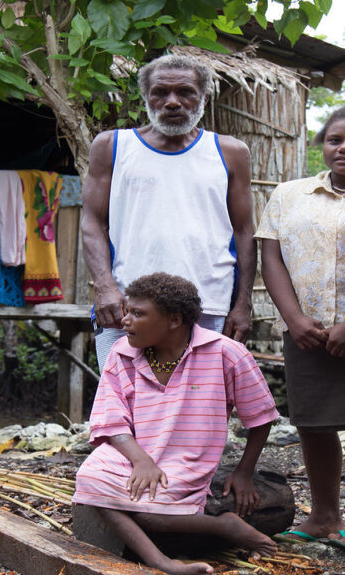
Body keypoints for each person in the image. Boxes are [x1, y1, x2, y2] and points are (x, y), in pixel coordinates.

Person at [256, 86, 345, 553]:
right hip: (308, 331)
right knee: (313, 422)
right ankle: (323, 516)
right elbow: (271, 257)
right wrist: (293, 318)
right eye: (335, 138)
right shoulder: (289, 194)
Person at [71, 272, 280, 575]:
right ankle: (163, 563)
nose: (125, 320)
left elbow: (260, 417)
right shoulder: (121, 354)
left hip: (186, 458)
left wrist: (244, 472)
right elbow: (111, 420)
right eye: (127, 310)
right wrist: (141, 461)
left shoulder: (226, 353)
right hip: (133, 452)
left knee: (149, 515)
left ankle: (225, 525)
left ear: (173, 320)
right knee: (88, 479)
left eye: (138, 314)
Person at [80, 53, 256, 369]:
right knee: (123, 407)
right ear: (146, 96)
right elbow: (93, 221)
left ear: (203, 96)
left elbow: (244, 232)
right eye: (160, 92)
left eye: (185, 92)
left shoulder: (230, 152)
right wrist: (105, 287)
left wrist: (242, 303)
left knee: (201, 408)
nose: (172, 102)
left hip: (209, 302)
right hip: (126, 305)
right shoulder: (112, 146)